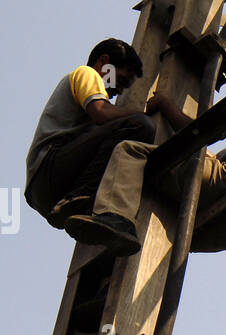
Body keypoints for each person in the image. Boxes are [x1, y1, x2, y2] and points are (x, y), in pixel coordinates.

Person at [64, 85, 226, 255]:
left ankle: (115, 219)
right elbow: (216, 161)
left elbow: (205, 132)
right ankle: (124, 237)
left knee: (133, 153)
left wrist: (166, 104)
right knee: (168, 242)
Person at [24, 38, 189, 255]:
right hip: (50, 169)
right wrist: (145, 113)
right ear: (104, 63)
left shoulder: (95, 104)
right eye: (120, 79)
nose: (119, 90)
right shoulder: (87, 74)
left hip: (46, 192)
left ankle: (83, 204)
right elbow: (101, 112)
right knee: (139, 126)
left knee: (130, 144)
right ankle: (80, 198)